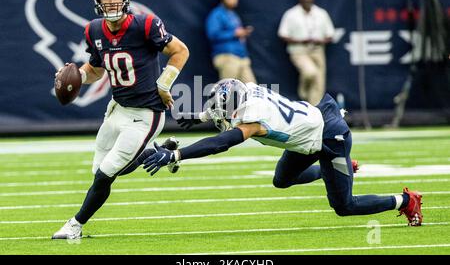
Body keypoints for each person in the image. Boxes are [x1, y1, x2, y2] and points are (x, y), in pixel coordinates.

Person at [138, 79, 423, 227]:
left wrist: (177, 155)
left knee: (344, 206)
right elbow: (227, 103)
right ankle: (336, 170)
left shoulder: (254, 122)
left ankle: (404, 200)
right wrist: (201, 116)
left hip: (329, 137)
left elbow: (220, 143)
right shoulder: (246, 89)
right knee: (281, 179)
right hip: (310, 127)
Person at [51, 0, 189, 239]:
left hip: (146, 114)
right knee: (104, 169)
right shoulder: (93, 29)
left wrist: (164, 83)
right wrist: (77, 76)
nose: (111, 1)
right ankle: (160, 151)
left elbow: (180, 50)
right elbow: (95, 69)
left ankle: (75, 225)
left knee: (105, 174)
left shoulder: (145, 24)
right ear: (98, 1)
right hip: (117, 108)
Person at [278, 0, 335, 106]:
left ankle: (314, 109)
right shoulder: (291, 14)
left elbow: (330, 35)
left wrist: (320, 40)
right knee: (310, 73)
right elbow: (283, 34)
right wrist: (300, 41)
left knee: (319, 83)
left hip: (317, 50)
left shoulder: (321, 13)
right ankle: (303, 92)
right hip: (299, 51)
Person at [205, 0, 257, 84]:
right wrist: (234, 33)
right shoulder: (216, 14)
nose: (234, 0)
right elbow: (212, 35)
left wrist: (243, 33)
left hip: (242, 57)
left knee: (252, 88)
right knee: (228, 90)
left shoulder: (233, 14)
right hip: (227, 57)